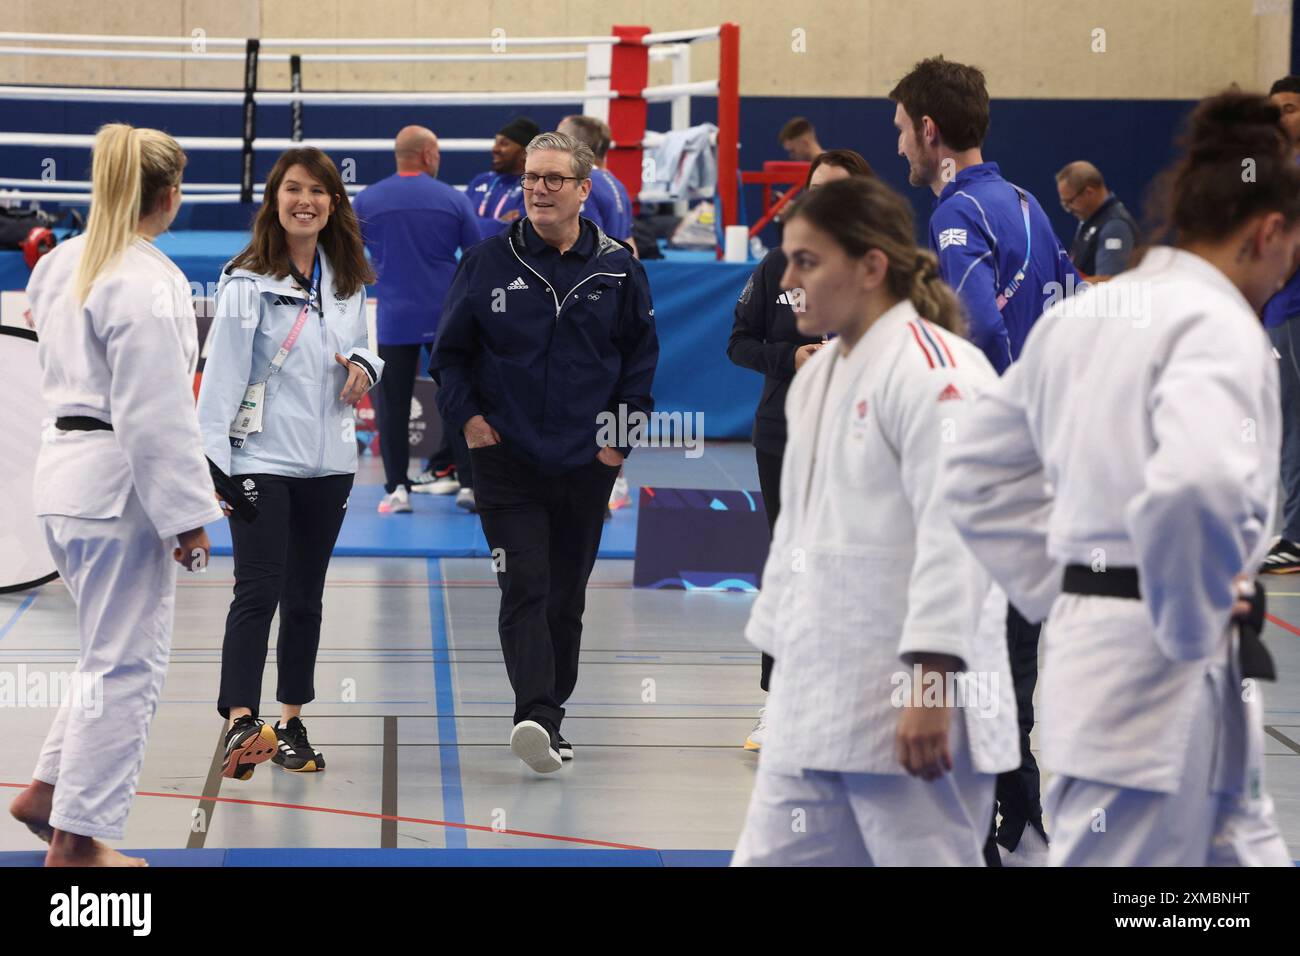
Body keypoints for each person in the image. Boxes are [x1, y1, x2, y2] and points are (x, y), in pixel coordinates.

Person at [940, 91, 1298, 866]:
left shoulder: (1083, 316)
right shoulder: (1219, 327)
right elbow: (1195, 487)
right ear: (1268, 233)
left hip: (1106, 663)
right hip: (1160, 675)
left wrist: (1061, 586)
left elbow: (972, 474)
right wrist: (1179, 623)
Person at [731, 176, 1018, 866]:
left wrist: (930, 681)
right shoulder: (821, 374)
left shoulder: (940, 373)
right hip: (818, 693)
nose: (790, 282)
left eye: (807, 262)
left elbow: (960, 536)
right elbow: (800, 538)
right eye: (787, 261)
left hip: (915, 698)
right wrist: (779, 650)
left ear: (870, 266)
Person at [9, 123, 221, 867]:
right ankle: (76, 842)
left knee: (103, 655)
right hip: (118, 485)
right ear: (168, 197)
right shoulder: (149, 279)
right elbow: (154, 410)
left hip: (63, 478)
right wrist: (189, 516)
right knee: (128, 666)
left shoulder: (62, 262)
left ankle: (46, 791)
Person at [890, 55, 1079, 865]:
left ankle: (1013, 821)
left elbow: (977, 334)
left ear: (930, 132)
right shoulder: (1030, 203)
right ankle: (1022, 817)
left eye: (901, 130)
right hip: (1053, 458)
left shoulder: (958, 212)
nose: (897, 146)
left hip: (1004, 469)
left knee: (978, 655)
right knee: (1019, 652)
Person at [430, 131, 658, 774]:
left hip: (587, 463)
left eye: (554, 179)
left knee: (566, 596)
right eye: (532, 177)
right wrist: (471, 423)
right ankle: (534, 712)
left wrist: (617, 445)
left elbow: (639, 364)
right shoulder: (485, 262)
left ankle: (549, 716)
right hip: (506, 458)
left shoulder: (618, 268)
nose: (538, 188)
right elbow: (448, 357)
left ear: (585, 190)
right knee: (524, 583)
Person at [197, 147, 382, 779]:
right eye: (293, 190)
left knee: (306, 598)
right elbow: (219, 380)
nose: (306, 201)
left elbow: (366, 347)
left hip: (329, 460)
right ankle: (241, 722)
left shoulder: (348, 276)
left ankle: (291, 721)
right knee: (258, 590)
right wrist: (214, 466)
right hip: (260, 458)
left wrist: (364, 366)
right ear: (275, 200)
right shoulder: (247, 279)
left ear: (334, 203)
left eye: (318, 191)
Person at [726, 148, 874, 752]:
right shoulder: (775, 266)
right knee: (792, 565)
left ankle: (851, 709)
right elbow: (739, 342)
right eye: (815, 189)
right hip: (785, 436)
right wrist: (791, 358)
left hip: (862, 443)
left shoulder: (887, 271)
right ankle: (778, 703)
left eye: (837, 190)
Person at [352, 126, 481, 515]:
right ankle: (470, 485)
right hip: (446, 315)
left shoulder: (367, 200)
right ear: (427, 154)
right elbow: (475, 256)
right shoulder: (452, 199)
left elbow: (346, 256)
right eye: (438, 152)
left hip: (394, 316)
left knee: (392, 404)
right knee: (458, 397)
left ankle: (396, 489)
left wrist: (378, 272)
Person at [1260, 74, 1300, 574]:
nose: (1282, 117)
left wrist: (1263, 289)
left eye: (1291, 107)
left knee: (1293, 423)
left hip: (1291, 310)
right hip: (1282, 310)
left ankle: (1294, 536)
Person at [1055, 161, 1140, 280]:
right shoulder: (1090, 222)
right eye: (1064, 204)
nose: (1069, 210)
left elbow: (1109, 282)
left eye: (1070, 202)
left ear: (1089, 192)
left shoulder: (1115, 227)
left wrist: (1063, 286)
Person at [467, 116, 539, 241]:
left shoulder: (535, 186)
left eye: (504, 144)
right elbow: (459, 224)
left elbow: (517, 232)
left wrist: (473, 223)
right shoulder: (481, 181)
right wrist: (498, 223)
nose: (495, 149)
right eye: (496, 142)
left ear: (524, 153)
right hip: (474, 258)